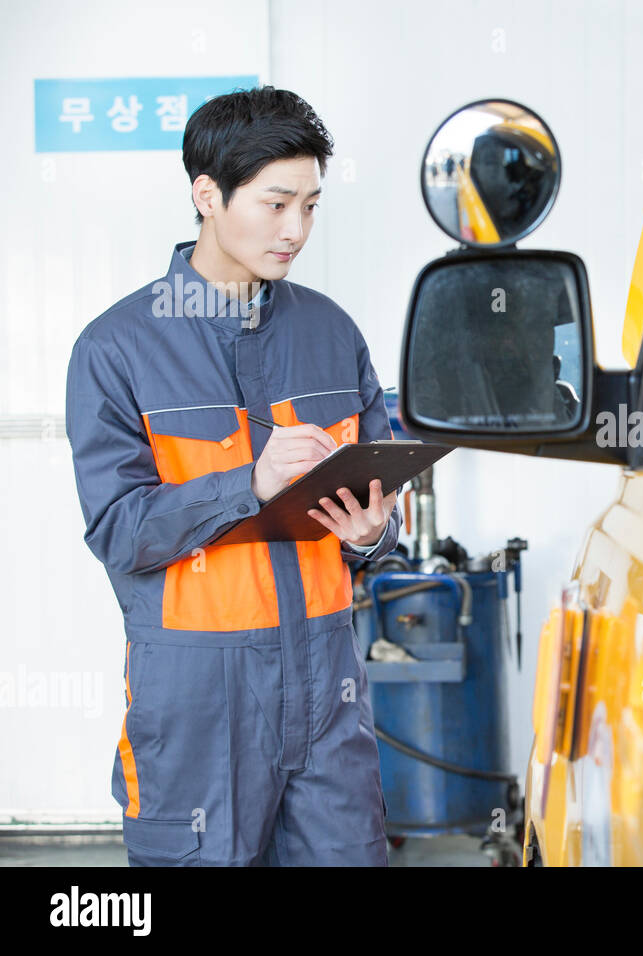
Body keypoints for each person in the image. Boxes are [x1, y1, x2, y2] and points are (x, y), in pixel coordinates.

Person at [65, 86, 401, 866]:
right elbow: (120, 530)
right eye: (277, 203)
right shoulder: (116, 349)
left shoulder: (330, 330)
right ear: (206, 195)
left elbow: (371, 504)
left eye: (312, 207)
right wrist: (246, 484)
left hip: (327, 695)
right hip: (196, 705)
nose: (296, 230)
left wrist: (371, 537)